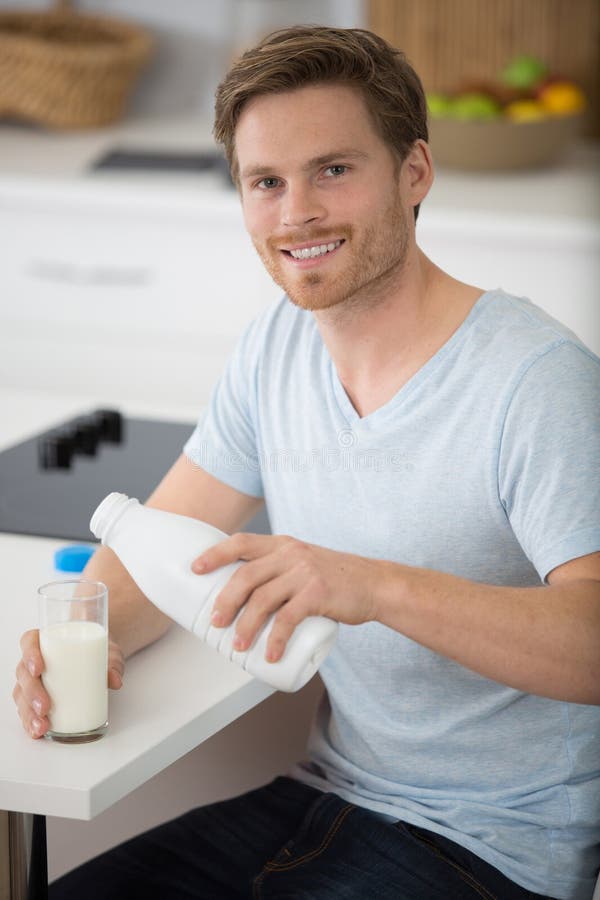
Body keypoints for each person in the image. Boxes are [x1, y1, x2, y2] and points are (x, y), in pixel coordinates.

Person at [13, 25, 600, 900]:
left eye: (333, 169)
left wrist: (373, 586)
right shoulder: (275, 351)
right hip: (323, 801)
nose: (297, 214)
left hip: (490, 849)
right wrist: (88, 638)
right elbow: (167, 536)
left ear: (414, 174)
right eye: (266, 182)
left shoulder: (536, 382)